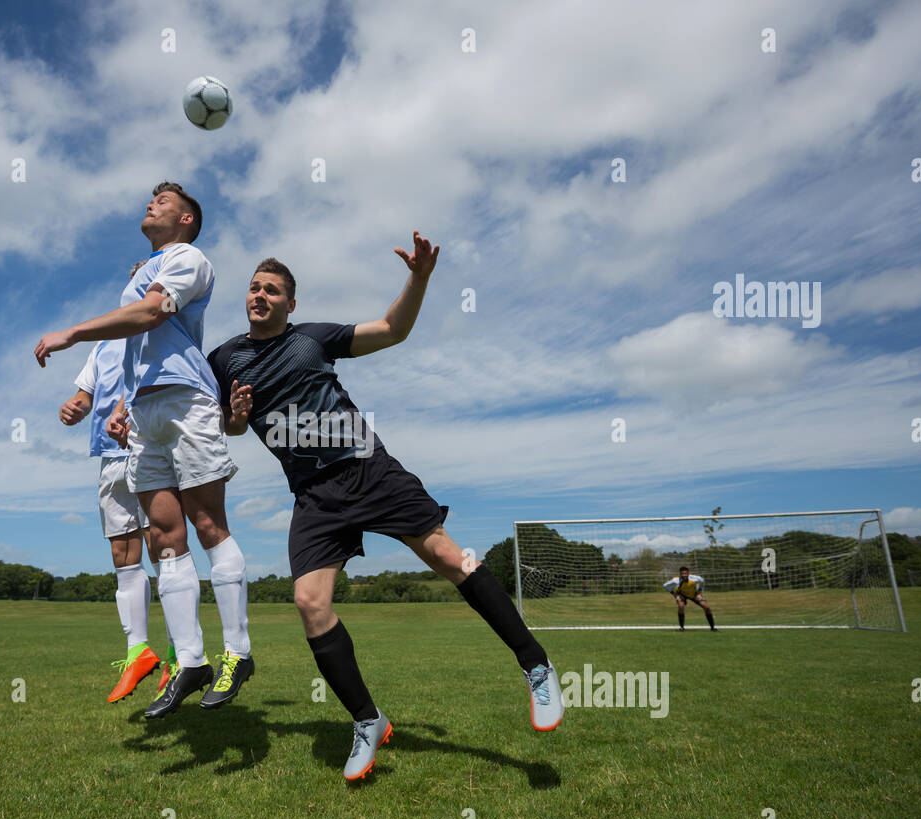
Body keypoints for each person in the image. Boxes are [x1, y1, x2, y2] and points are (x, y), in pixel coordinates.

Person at [205, 232, 563, 783]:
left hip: (368, 468)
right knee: (308, 601)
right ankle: (368, 720)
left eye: (272, 290)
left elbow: (393, 330)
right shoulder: (225, 358)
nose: (260, 295)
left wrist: (418, 277)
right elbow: (227, 427)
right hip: (314, 496)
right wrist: (235, 413)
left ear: (290, 304)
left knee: (448, 558)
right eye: (254, 287)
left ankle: (535, 665)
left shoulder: (312, 340)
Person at [36, 182, 251, 717]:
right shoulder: (143, 273)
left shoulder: (188, 258)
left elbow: (154, 315)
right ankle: (192, 661)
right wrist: (121, 405)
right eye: (150, 199)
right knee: (163, 537)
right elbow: (134, 347)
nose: (151, 204)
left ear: (186, 220)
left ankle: (238, 653)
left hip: (185, 400)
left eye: (164, 201)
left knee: (207, 523)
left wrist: (73, 332)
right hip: (146, 412)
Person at [58, 260, 176, 703]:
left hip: (149, 447)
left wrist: (126, 408)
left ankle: (178, 652)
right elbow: (85, 396)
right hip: (109, 458)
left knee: (162, 545)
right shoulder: (104, 341)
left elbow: (153, 377)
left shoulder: (162, 329)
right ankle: (138, 652)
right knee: (123, 554)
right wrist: (73, 407)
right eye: (134, 277)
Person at [662, 566, 717, 631]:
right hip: (682, 595)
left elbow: (702, 581)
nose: (684, 575)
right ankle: (682, 628)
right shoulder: (675, 580)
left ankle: (712, 628)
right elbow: (665, 585)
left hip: (693, 594)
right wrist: (675, 595)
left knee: (706, 607)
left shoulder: (695, 578)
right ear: (680, 574)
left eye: (685, 573)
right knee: (681, 606)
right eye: (682, 573)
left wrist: (700, 592)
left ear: (688, 573)